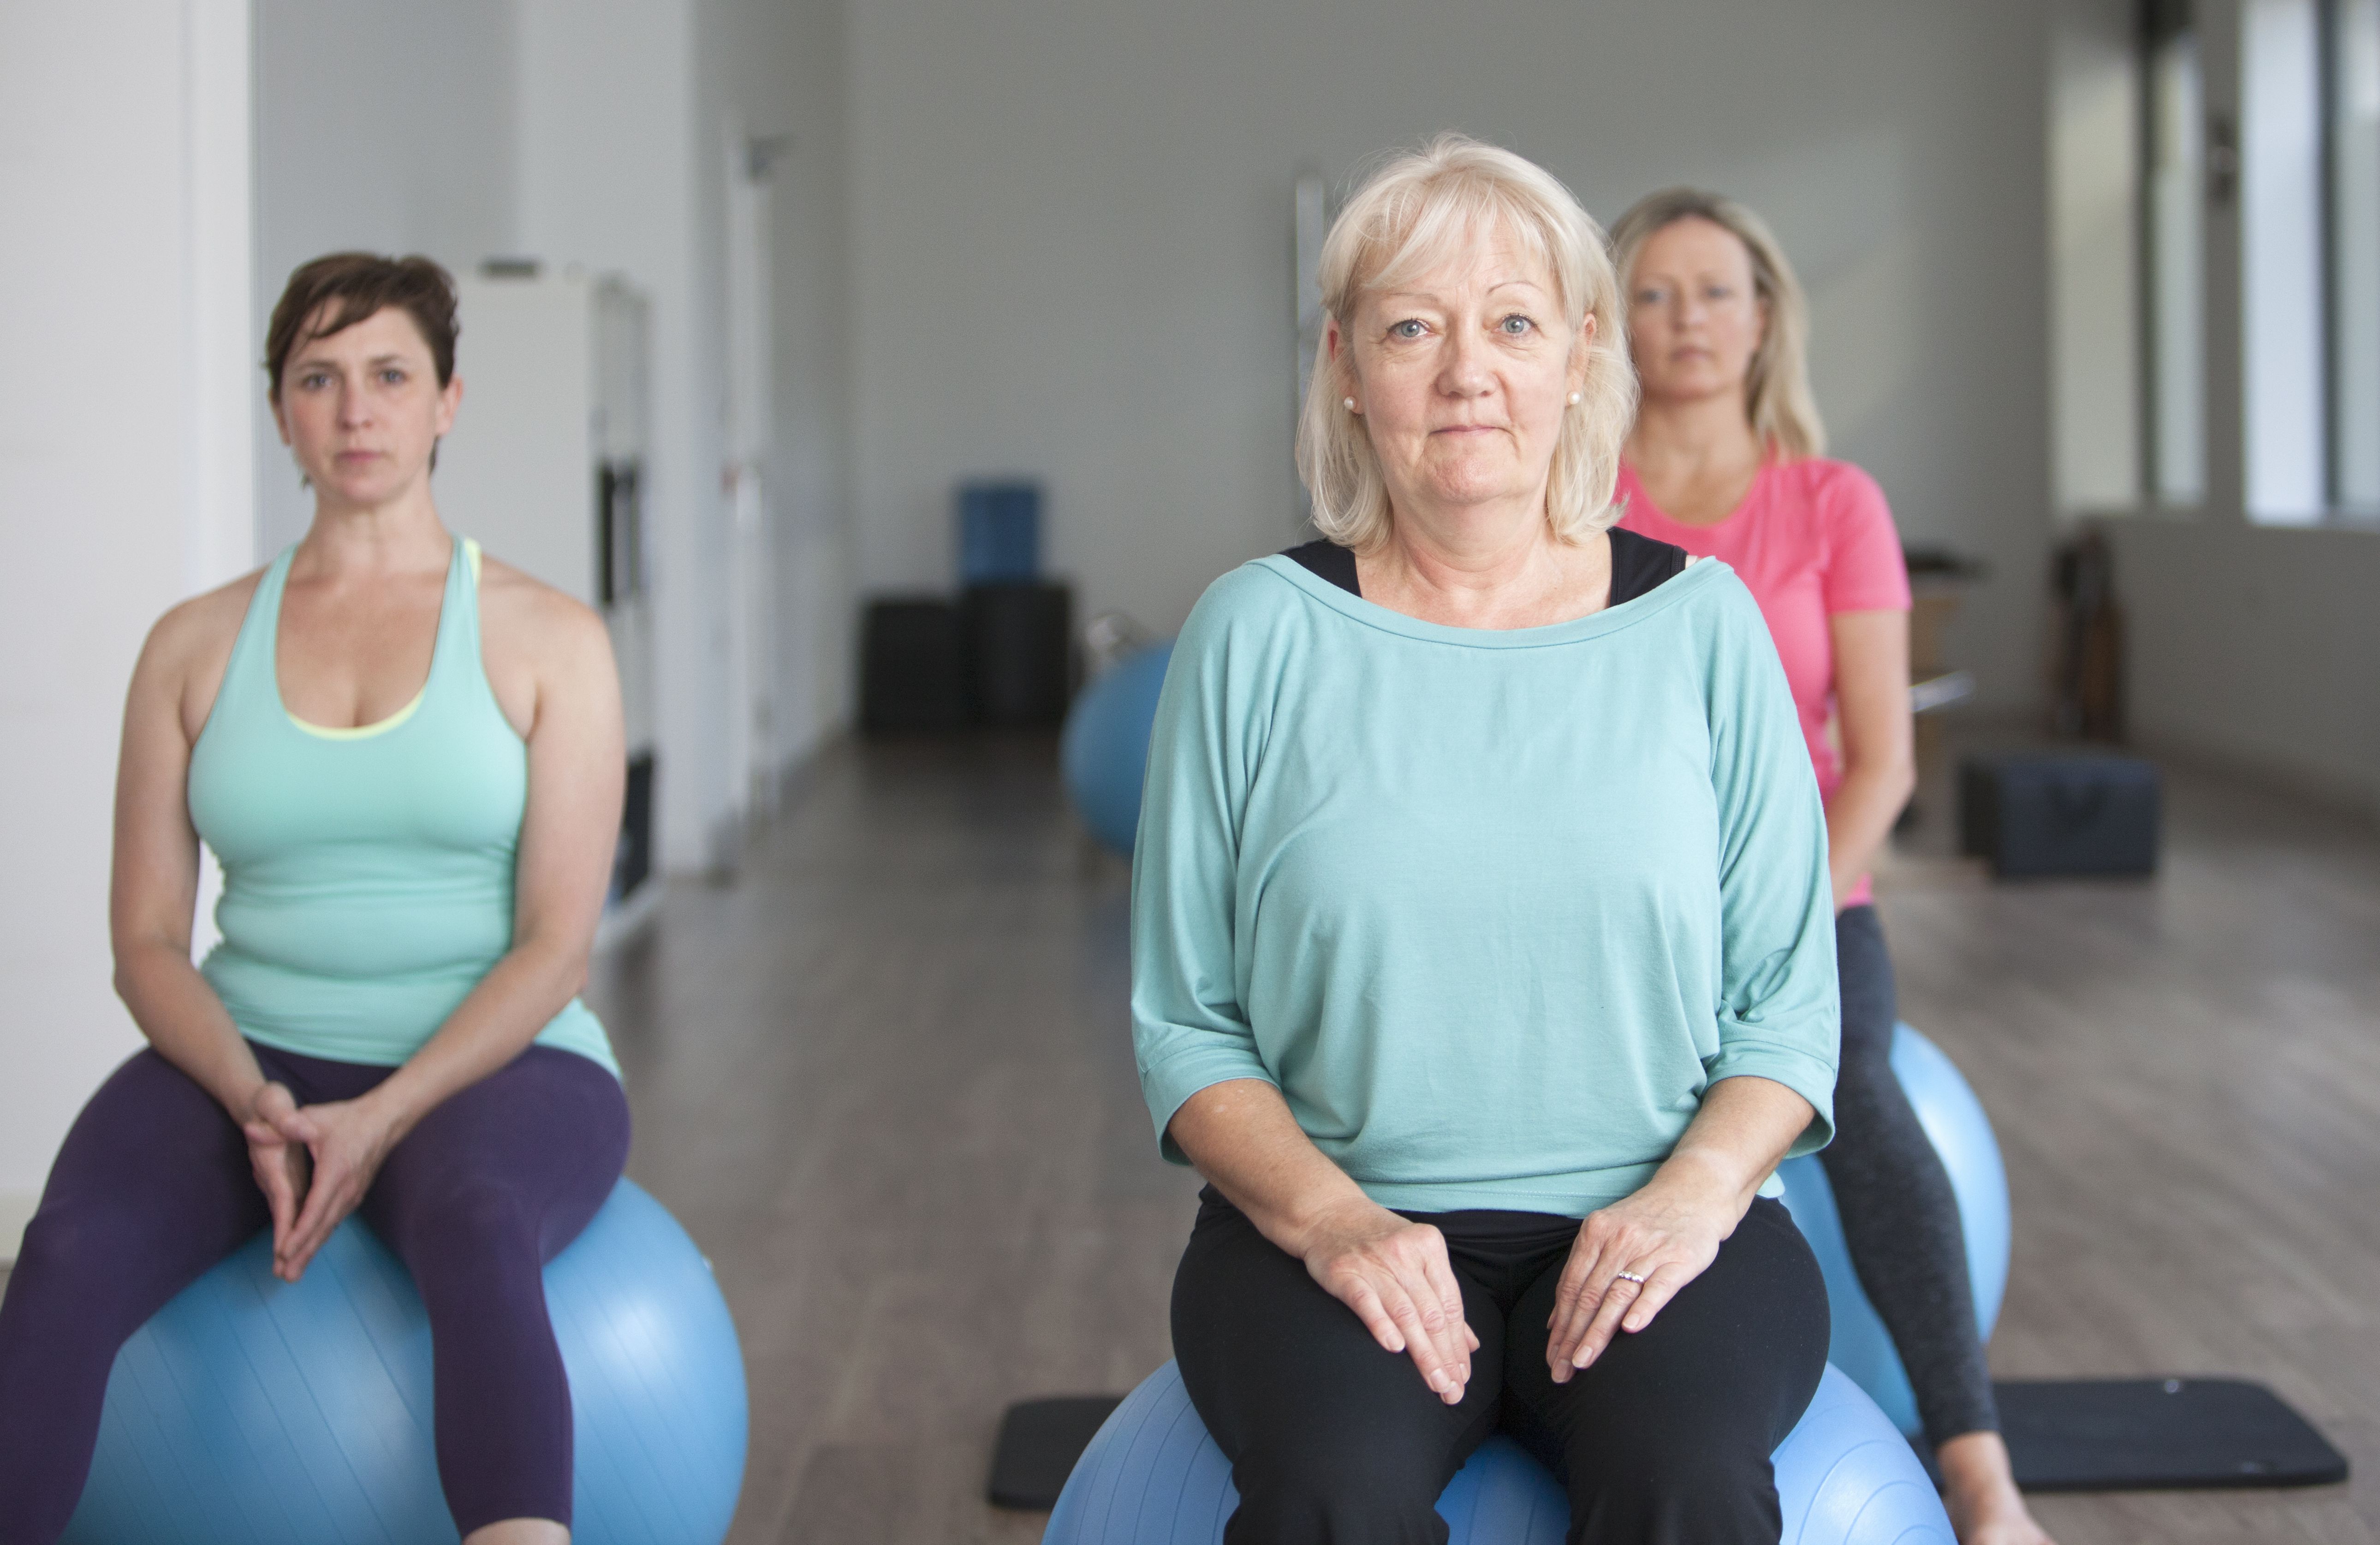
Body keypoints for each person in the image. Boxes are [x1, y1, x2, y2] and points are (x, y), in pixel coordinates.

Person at [1134, 136, 1841, 1545]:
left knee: (1686, 1487)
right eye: (1413, 328)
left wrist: (1692, 1199)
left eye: (1513, 324)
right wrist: (1335, 1222)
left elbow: (1790, 1007)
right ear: (1344, 365)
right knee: (1332, 1497)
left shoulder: (1703, 627)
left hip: (1664, 1219)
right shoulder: (1252, 632)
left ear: (1581, 355)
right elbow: (1186, 1025)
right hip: (1333, 1223)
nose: (1468, 371)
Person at [0, 254, 630, 1545]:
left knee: (476, 1224)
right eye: (320, 380)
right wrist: (253, 1097)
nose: (358, 411)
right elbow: (145, 941)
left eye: (391, 376)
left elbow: (556, 947)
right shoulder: (192, 644)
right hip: (247, 1054)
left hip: (498, 1062)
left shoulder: (549, 638)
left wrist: (385, 1116)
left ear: (448, 400)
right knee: (59, 1257)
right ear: (280, 410)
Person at [1608, 188, 2054, 1545]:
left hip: (1809, 894)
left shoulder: (1831, 502)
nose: (1688, 320)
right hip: (1625, 903)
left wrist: (1786, 917)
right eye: (1655, 292)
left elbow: (1883, 763)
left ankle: (1975, 1467)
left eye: (1718, 291)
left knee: (1852, 1084)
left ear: (1764, 321)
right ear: (1610, 323)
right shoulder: (1577, 500)